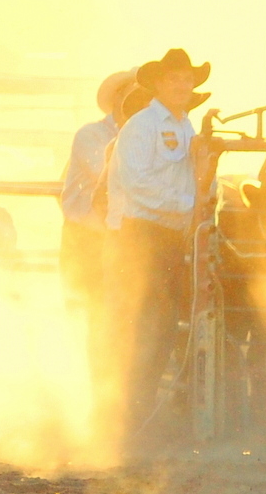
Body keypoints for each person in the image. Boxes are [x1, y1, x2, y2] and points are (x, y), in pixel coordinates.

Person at [106, 49, 208, 439]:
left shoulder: (186, 128)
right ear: (159, 83)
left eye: (187, 78)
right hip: (142, 235)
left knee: (163, 327)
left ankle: (141, 417)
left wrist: (195, 207)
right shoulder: (142, 125)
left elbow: (191, 180)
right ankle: (128, 420)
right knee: (144, 325)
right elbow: (137, 182)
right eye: (174, 78)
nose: (182, 85)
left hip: (169, 235)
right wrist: (190, 208)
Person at [61, 69, 135, 386]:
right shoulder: (91, 135)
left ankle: (121, 388)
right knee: (99, 313)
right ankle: (101, 388)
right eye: (133, 96)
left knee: (125, 314)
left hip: (122, 237)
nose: (139, 103)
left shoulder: (145, 136)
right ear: (118, 101)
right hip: (89, 236)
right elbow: (111, 177)